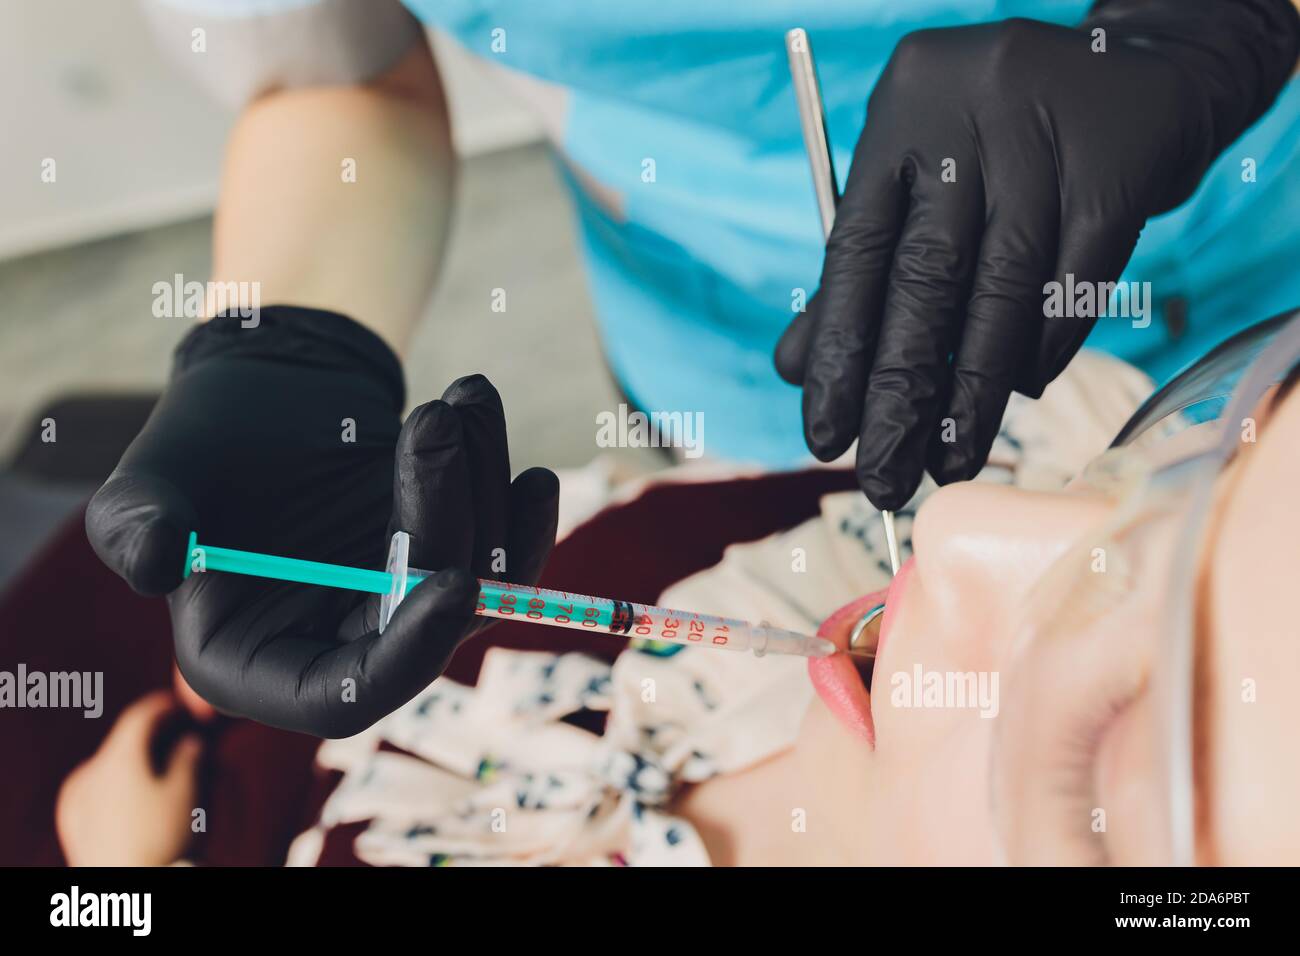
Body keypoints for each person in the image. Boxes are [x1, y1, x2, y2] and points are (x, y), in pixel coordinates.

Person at [86, 0, 1300, 736]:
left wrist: (1210, 25)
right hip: (727, 342)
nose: (973, 554)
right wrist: (293, 338)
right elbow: (336, 71)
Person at [58, 310, 1300, 865]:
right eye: (1173, 494)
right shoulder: (1017, 459)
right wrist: (289, 336)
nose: (967, 528)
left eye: (1105, 745)